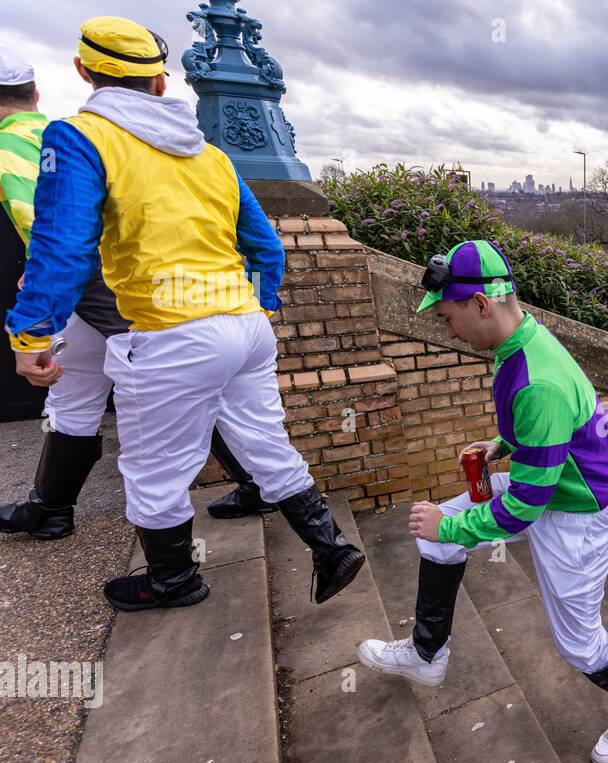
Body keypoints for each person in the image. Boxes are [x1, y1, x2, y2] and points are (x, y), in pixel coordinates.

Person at [4, 17, 363, 610]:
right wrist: (259, 302)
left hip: (170, 331)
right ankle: (330, 548)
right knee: (266, 443)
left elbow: (60, 248)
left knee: (153, 468)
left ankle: (173, 579)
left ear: (82, 71)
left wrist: (30, 331)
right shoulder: (213, 155)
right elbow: (265, 248)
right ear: (161, 83)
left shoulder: (78, 137)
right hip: (244, 327)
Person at [355, 240, 608, 763]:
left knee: (578, 644)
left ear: (480, 305)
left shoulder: (537, 381)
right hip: (552, 486)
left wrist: (451, 531)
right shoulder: (524, 338)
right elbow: (549, 435)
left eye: (447, 317)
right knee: (443, 526)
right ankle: (428, 654)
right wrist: (503, 446)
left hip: (580, 511)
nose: (446, 330)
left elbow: (523, 507)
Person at [0, 48, 269, 540]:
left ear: (82, 72)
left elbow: (51, 235)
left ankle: (240, 500)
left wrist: (35, 314)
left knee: (174, 384)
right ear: (35, 94)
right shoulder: (75, 130)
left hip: (106, 284)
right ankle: (51, 506)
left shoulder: (58, 139)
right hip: (107, 286)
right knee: (78, 389)